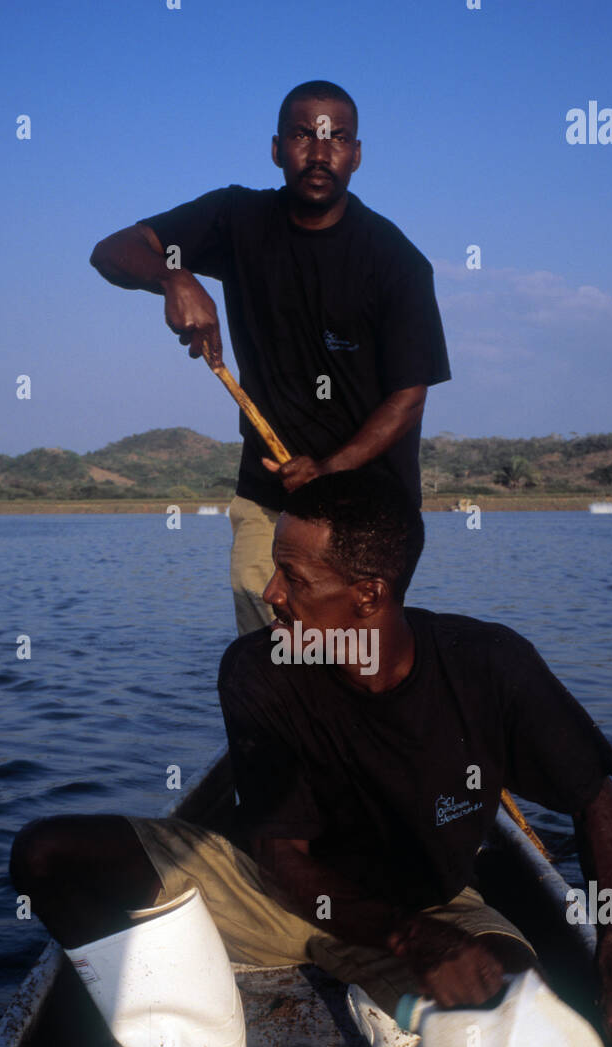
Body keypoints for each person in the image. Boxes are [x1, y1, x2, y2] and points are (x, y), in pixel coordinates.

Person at [9, 469, 612, 1047]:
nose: (270, 593)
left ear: (367, 593)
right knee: (48, 856)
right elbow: (283, 860)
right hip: (272, 889)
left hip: (429, 901)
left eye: (292, 576)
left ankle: (393, 1006)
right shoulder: (260, 668)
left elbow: (594, 801)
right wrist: (409, 942)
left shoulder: (489, 665)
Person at [89, 79, 450, 634]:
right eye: (304, 135)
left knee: (354, 669)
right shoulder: (237, 218)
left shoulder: (396, 261)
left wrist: (329, 469)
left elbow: (407, 399)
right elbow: (112, 251)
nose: (320, 153)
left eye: (337, 138)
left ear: (356, 154)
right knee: (271, 656)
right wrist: (172, 277)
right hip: (270, 497)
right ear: (278, 148)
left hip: (370, 508)